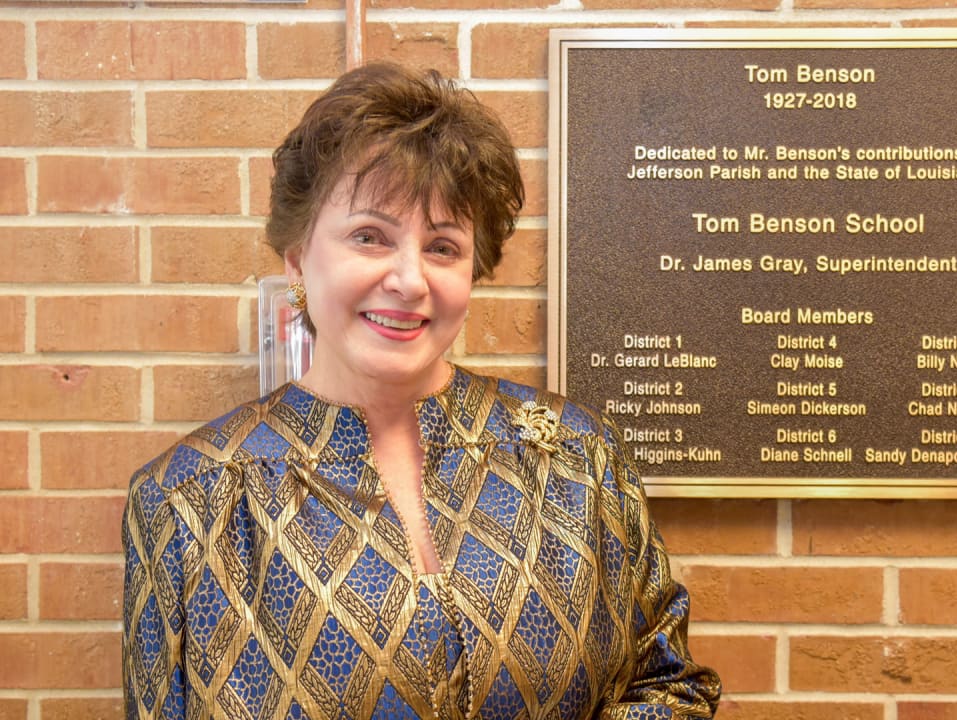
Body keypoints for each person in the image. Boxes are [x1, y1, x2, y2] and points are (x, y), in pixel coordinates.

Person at [121, 62, 720, 720]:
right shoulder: (190, 502)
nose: (409, 280)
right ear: (297, 259)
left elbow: (670, 686)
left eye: (442, 246)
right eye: (370, 237)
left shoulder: (580, 460)